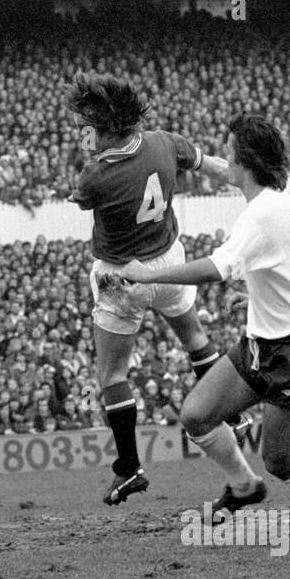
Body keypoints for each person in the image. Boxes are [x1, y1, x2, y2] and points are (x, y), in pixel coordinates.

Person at [102, 113, 290, 540]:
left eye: (230, 152)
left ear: (246, 163)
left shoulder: (262, 212)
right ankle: (243, 486)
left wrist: (148, 275)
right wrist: (260, 296)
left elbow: (216, 269)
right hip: (263, 343)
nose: (225, 160)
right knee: (197, 414)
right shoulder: (288, 204)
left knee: (280, 460)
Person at [65, 71, 249, 508]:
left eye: (86, 125)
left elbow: (83, 196)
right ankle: (234, 414)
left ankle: (129, 468)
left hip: (122, 275)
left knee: (112, 375)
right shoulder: (167, 142)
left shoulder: (94, 177)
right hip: (170, 265)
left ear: (108, 125)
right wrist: (254, 188)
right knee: (195, 338)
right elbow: (220, 169)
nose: (81, 132)